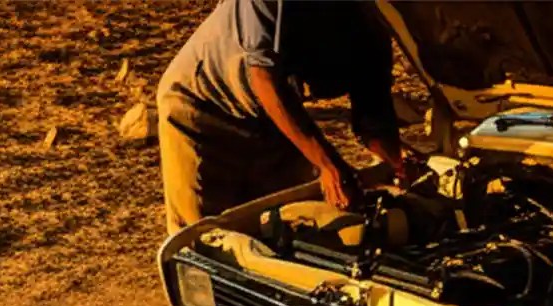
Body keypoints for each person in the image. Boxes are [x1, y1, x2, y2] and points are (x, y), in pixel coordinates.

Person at [156, 0, 403, 235]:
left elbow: (374, 112)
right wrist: (328, 165)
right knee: (205, 237)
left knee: (287, 225)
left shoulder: (371, 19)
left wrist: (398, 166)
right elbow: (264, 79)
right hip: (200, 106)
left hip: (272, 114)